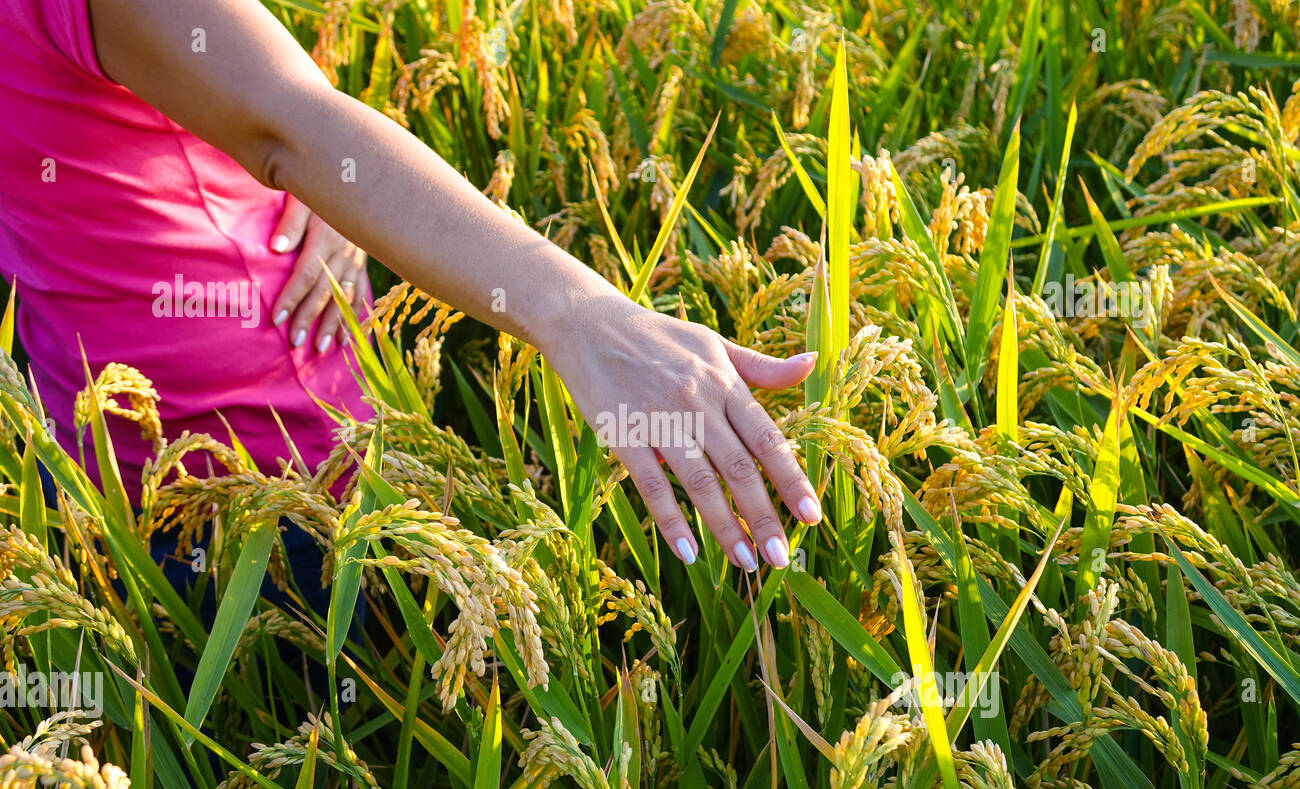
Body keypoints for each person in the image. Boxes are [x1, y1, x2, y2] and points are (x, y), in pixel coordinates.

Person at [0, 0, 823, 595]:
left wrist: (334, 173)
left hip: (99, 476)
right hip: (282, 495)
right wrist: (580, 313)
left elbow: (262, 103)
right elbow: (287, 124)